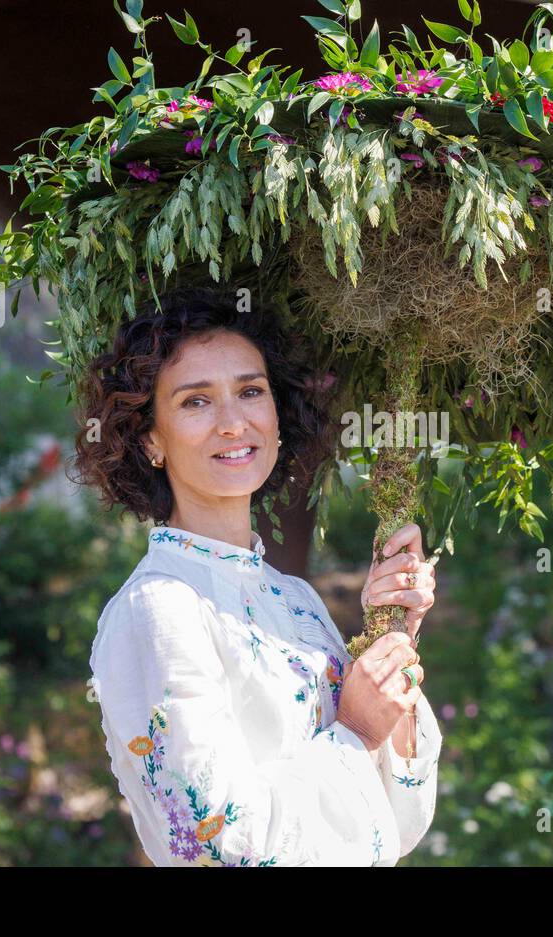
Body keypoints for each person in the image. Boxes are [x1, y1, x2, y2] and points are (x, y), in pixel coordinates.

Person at [72, 287, 442, 866]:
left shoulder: (294, 599)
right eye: (196, 402)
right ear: (150, 439)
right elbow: (213, 848)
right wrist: (355, 731)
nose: (233, 422)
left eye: (250, 391)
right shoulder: (159, 610)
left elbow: (397, 827)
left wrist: (393, 637)